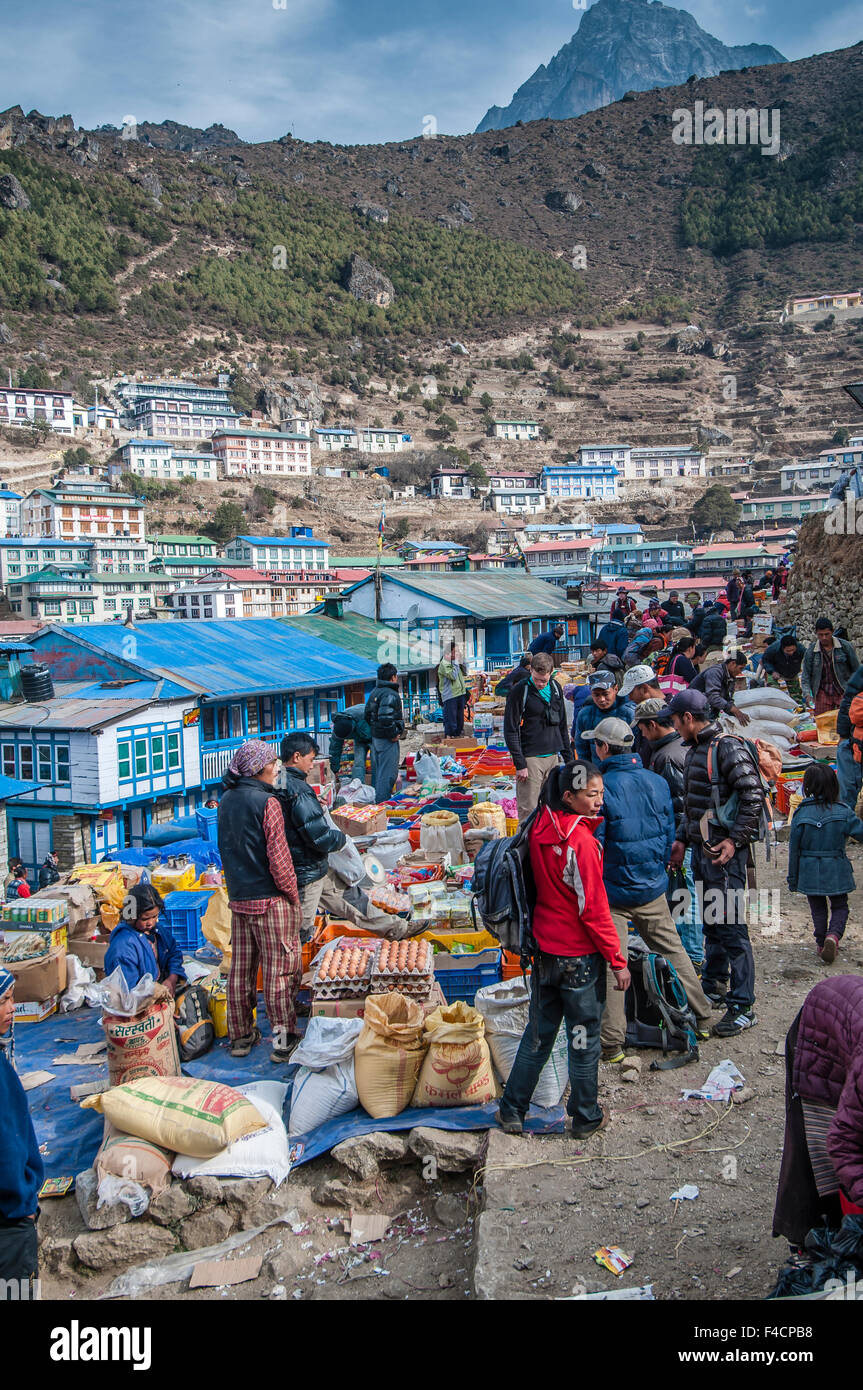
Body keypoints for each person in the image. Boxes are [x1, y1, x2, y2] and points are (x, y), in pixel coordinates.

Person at [497, 763, 630, 1138]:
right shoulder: (581, 843)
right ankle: (586, 1115)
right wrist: (617, 960)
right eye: (591, 795)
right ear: (569, 796)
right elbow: (593, 910)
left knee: (538, 1035)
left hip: (544, 953)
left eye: (601, 794)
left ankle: (512, 1110)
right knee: (582, 1038)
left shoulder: (539, 828)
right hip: (578, 960)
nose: (598, 802)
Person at [581, 717, 713, 1062]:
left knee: (615, 963)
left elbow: (596, 846)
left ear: (604, 748)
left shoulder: (602, 789)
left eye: (596, 744)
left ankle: (611, 1045)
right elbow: (669, 831)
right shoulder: (656, 781)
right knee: (673, 950)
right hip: (652, 886)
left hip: (613, 894)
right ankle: (701, 1018)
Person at [668, 689, 765, 1036]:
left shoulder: (726, 748)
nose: (675, 727)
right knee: (713, 923)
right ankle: (713, 983)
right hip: (703, 854)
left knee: (732, 928)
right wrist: (681, 839)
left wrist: (734, 840)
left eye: (676, 721)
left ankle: (743, 1006)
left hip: (725, 857)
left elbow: (754, 793)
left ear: (689, 719)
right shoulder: (696, 750)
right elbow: (692, 806)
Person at [217, 739, 302, 1064]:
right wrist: (292, 896)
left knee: (241, 971)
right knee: (279, 974)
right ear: (258, 769)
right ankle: (283, 1041)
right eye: (272, 765)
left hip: (240, 898)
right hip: (270, 899)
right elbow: (279, 860)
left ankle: (240, 1037)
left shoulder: (226, 800)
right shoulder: (268, 804)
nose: (276, 769)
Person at [773, 976, 863, 1249]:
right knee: (811, 1145)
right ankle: (802, 1239)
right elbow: (843, 1141)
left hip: (845, 1023)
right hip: (816, 1035)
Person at [632, 699, 704, 967]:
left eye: (641, 729)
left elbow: (679, 806)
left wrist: (677, 841)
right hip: (682, 837)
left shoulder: (667, 756)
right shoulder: (673, 749)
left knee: (686, 895)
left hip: (681, 839)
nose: (641, 735)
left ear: (651, 725)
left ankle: (693, 956)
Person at [787, 763, 863, 964]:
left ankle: (821, 943)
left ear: (808, 786)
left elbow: (794, 850)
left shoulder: (801, 814)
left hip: (809, 869)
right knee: (840, 905)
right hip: (836, 867)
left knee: (817, 907)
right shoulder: (843, 812)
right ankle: (834, 936)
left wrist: (793, 879)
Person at [279, 731, 347, 940]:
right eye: (310, 760)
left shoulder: (278, 780)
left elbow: (291, 816)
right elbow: (319, 837)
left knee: (350, 906)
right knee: (301, 931)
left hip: (292, 867)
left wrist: (311, 805)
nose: (311, 766)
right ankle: (296, 971)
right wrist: (342, 839)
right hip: (306, 870)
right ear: (297, 757)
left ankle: (394, 928)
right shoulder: (299, 789)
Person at [0, 970, 43, 1296]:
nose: (12, 1008)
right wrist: (22, 1202)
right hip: (9, 1222)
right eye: (4, 1000)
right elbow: (8, 1146)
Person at [504, 652, 573, 822]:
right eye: (536, 679)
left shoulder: (556, 688)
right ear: (531, 671)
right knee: (529, 811)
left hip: (553, 757)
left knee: (551, 808)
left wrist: (569, 759)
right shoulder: (521, 690)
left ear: (551, 673)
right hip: (531, 759)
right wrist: (520, 763)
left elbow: (562, 726)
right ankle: (525, 847)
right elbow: (511, 729)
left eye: (544, 680)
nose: (540, 684)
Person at [104, 883, 186, 996]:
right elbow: (127, 992)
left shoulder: (157, 931)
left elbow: (173, 953)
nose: (151, 923)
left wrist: (172, 979)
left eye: (155, 916)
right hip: (140, 1001)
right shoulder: (124, 945)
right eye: (145, 919)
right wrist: (157, 996)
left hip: (161, 989)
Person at [801, 617, 859, 715]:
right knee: (823, 723)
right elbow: (805, 676)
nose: (824, 638)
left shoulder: (844, 647)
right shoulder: (811, 651)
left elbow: (857, 670)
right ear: (816, 634)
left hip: (843, 690)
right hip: (822, 693)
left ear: (832, 632)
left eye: (827, 634)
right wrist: (807, 694)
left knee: (846, 720)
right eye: (821, 635)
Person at [572, 670, 634, 761]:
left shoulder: (628, 713)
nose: (601, 699)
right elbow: (582, 749)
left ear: (615, 689)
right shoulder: (585, 714)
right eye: (596, 695)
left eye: (605, 694)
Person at [364, 663, 405, 802]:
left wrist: (376, 730)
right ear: (393, 677)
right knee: (387, 775)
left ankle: (379, 804)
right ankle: (382, 807)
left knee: (379, 773)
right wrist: (393, 734)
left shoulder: (375, 691)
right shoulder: (390, 694)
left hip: (376, 738)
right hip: (387, 740)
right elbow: (386, 717)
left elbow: (367, 715)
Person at [690, 649, 752, 724]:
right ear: (732, 664)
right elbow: (713, 697)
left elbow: (727, 698)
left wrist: (735, 712)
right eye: (740, 668)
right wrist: (733, 709)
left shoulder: (730, 677)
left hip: (709, 711)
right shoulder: (715, 672)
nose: (740, 672)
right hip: (695, 710)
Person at [836, 661, 863, 810]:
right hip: (855, 744)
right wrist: (844, 734)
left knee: (848, 789)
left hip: (856, 744)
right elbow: (848, 703)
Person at [328, 704, 372, 780]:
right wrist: (335, 770)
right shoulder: (338, 730)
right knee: (358, 763)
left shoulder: (364, 713)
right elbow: (334, 749)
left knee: (376, 763)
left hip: (375, 737)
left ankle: (377, 789)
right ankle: (358, 787)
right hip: (359, 740)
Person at [437, 641, 468, 737]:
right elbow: (453, 676)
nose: (458, 653)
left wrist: (462, 661)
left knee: (459, 721)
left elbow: (465, 672)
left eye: (459, 651)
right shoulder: (445, 664)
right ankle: (451, 739)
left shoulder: (455, 663)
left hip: (460, 694)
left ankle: (458, 738)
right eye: (456, 651)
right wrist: (455, 662)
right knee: (451, 722)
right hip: (450, 696)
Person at [760, 634, 804, 701]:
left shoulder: (801, 649)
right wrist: (772, 671)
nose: (791, 652)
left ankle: (798, 709)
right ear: (782, 648)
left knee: (796, 697)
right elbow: (765, 660)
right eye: (788, 651)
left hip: (792, 673)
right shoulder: (773, 649)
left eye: (793, 650)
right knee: (775, 695)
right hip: (775, 671)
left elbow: (808, 660)